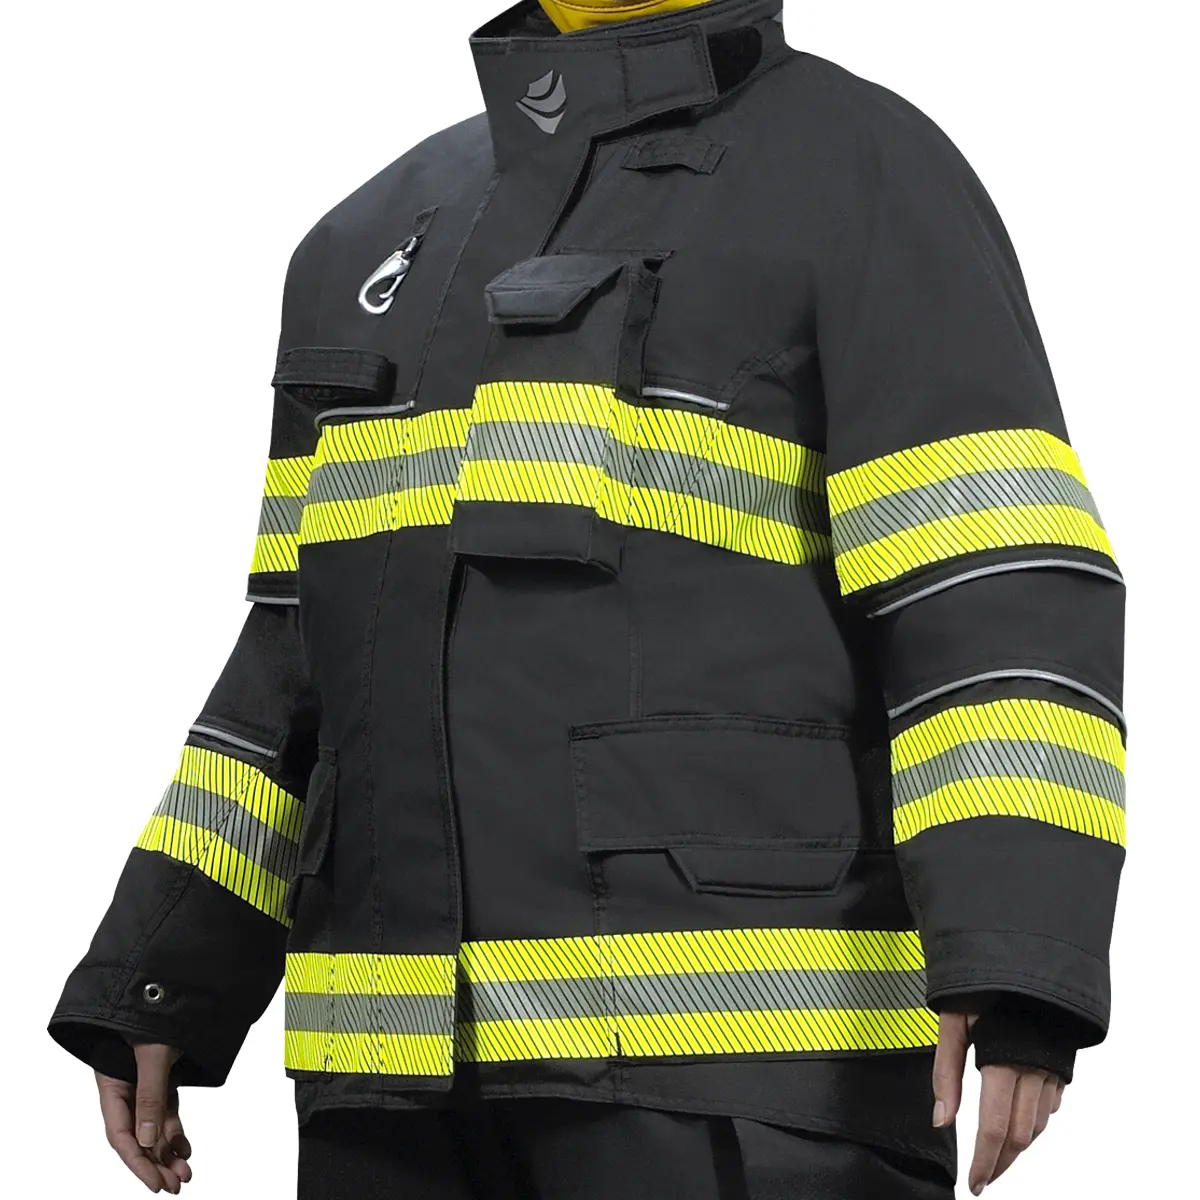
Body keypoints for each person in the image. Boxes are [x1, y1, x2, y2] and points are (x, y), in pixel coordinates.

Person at [48, 2, 1127, 1196]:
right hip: (390, 1090)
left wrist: (1019, 954)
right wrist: (165, 971)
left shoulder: (856, 170)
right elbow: (297, 661)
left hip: (740, 1076)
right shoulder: (366, 240)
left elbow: (991, 576)